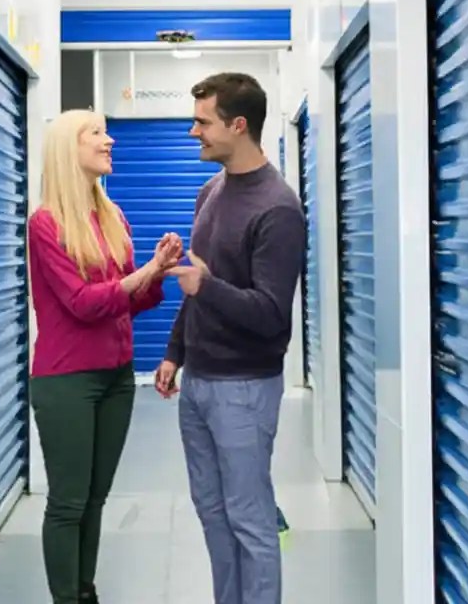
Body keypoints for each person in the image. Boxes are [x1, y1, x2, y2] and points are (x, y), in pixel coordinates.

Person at [157, 73, 306, 604]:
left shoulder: (278, 208)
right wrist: (175, 352)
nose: (193, 131)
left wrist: (208, 286)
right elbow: (197, 282)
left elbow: (270, 314)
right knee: (213, 514)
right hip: (198, 384)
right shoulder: (210, 192)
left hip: (245, 389)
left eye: (203, 121)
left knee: (251, 519)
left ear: (238, 125)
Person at [27, 109, 184, 604]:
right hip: (66, 381)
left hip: (116, 377)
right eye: (95, 132)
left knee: (95, 499)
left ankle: (85, 592)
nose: (108, 139)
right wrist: (143, 275)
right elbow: (82, 303)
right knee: (69, 502)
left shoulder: (112, 218)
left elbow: (129, 301)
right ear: (65, 149)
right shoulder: (46, 224)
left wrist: (158, 273)